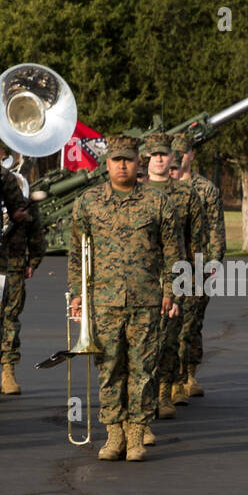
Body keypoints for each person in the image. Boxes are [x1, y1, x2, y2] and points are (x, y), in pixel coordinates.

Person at [69, 135, 180, 461]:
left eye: (128, 160)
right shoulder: (88, 203)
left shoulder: (158, 203)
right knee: (109, 369)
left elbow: (174, 253)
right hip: (103, 301)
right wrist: (77, 293)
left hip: (146, 301)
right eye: (116, 160)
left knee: (142, 370)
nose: (122, 165)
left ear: (138, 162)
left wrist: (170, 291)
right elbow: (77, 253)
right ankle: (113, 434)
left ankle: (135, 436)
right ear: (106, 164)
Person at [141, 131, 201, 419]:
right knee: (144, 341)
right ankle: (144, 396)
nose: (159, 159)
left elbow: (196, 239)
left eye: (164, 154)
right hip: (142, 277)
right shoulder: (137, 193)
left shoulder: (187, 195)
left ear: (171, 158)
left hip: (176, 274)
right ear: (147, 159)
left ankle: (165, 393)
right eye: (154, 155)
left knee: (170, 338)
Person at [170, 133, 226, 398]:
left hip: (198, 265)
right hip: (171, 265)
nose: (178, 158)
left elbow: (216, 228)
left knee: (191, 323)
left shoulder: (205, 189)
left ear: (191, 155)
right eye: (174, 153)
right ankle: (172, 380)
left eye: (182, 153)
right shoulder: (161, 187)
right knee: (172, 323)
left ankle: (189, 374)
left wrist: (215, 261)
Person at [0, 150, 42, 396]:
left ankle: (8, 370)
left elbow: (36, 231)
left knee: (10, 318)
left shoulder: (17, 186)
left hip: (15, 263)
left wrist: (35, 259)